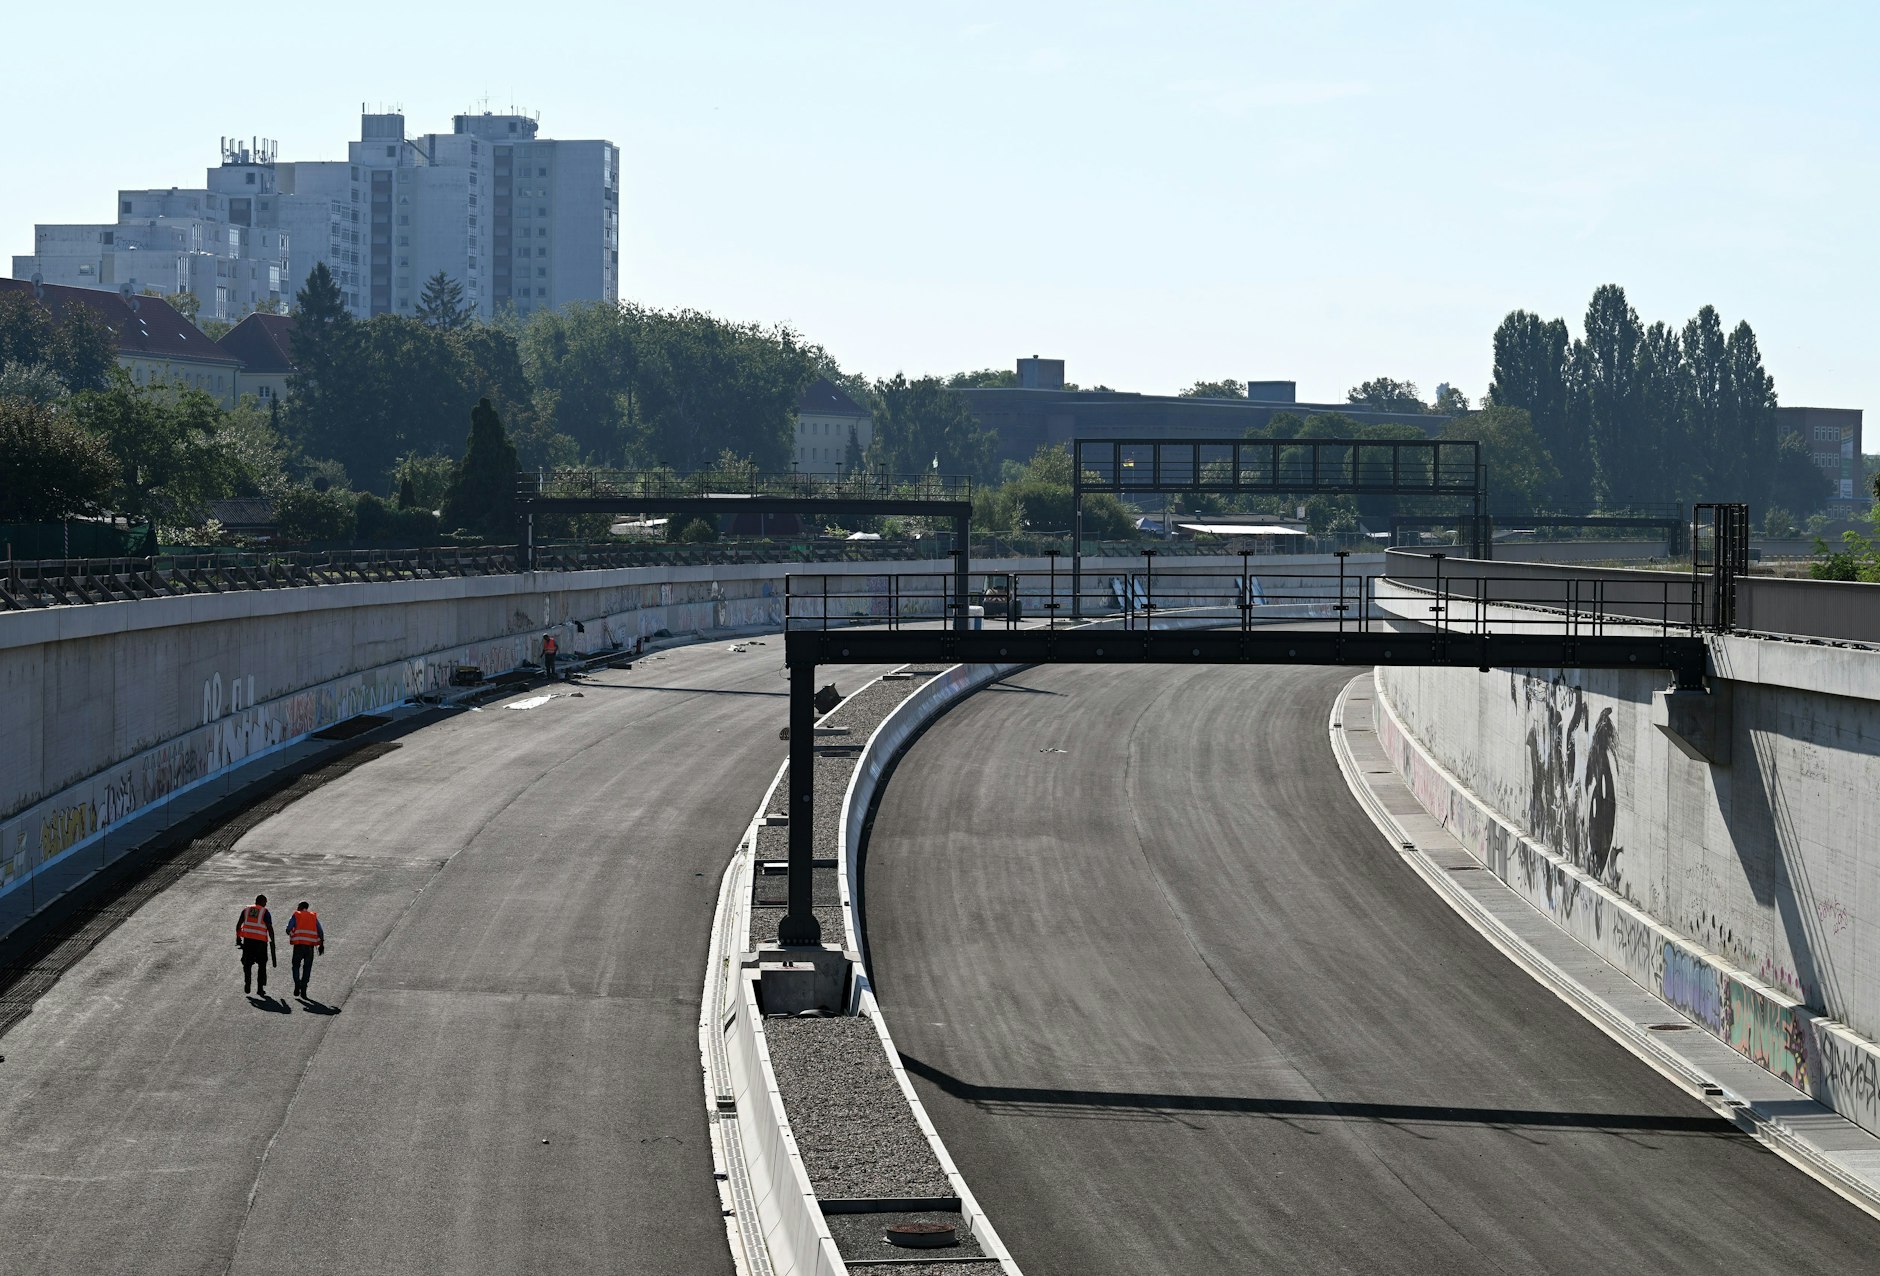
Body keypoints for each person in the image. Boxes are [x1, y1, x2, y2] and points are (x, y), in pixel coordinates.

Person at [236, 894, 276, 996]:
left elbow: (238, 924)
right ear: (262, 902)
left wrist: (238, 937)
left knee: (247, 964)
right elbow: (269, 927)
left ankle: (248, 983)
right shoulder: (265, 912)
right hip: (261, 943)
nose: (266, 904)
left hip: (248, 942)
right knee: (262, 965)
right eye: (265, 902)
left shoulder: (246, 910)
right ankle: (260, 989)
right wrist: (273, 940)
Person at [285, 901, 325, 998]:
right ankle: (303, 988)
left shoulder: (296, 915)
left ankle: (297, 984)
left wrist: (291, 934)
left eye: (298, 906)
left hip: (298, 945)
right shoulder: (313, 916)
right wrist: (321, 944)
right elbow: (320, 931)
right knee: (307, 968)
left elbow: (288, 928)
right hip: (310, 947)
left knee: (295, 966)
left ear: (301, 907)